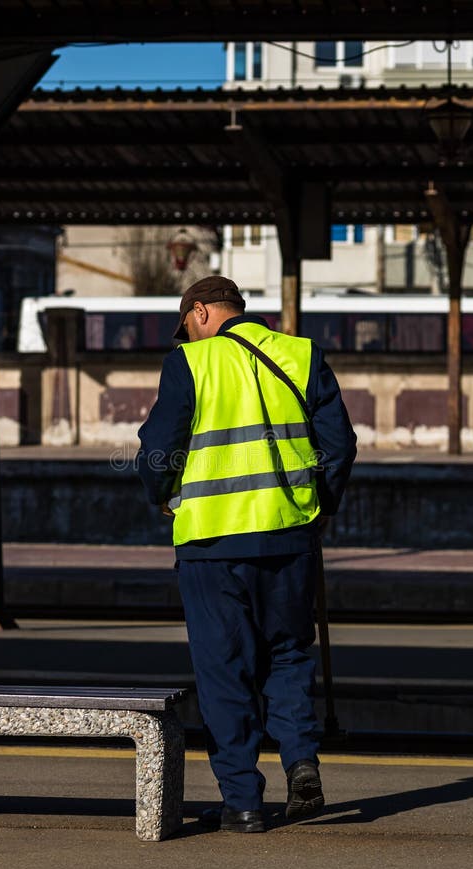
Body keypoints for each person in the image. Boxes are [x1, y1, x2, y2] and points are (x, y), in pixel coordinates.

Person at [137, 275, 356, 833]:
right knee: (286, 654)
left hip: (212, 542)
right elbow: (339, 444)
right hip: (289, 536)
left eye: (187, 324)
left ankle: (243, 803)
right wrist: (320, 503)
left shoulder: (192, 363)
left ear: (203, 312)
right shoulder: (302, 354)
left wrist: (162, 495)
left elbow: (160, 448)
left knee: (224, 669)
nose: (185, 336)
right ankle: (301, 761)